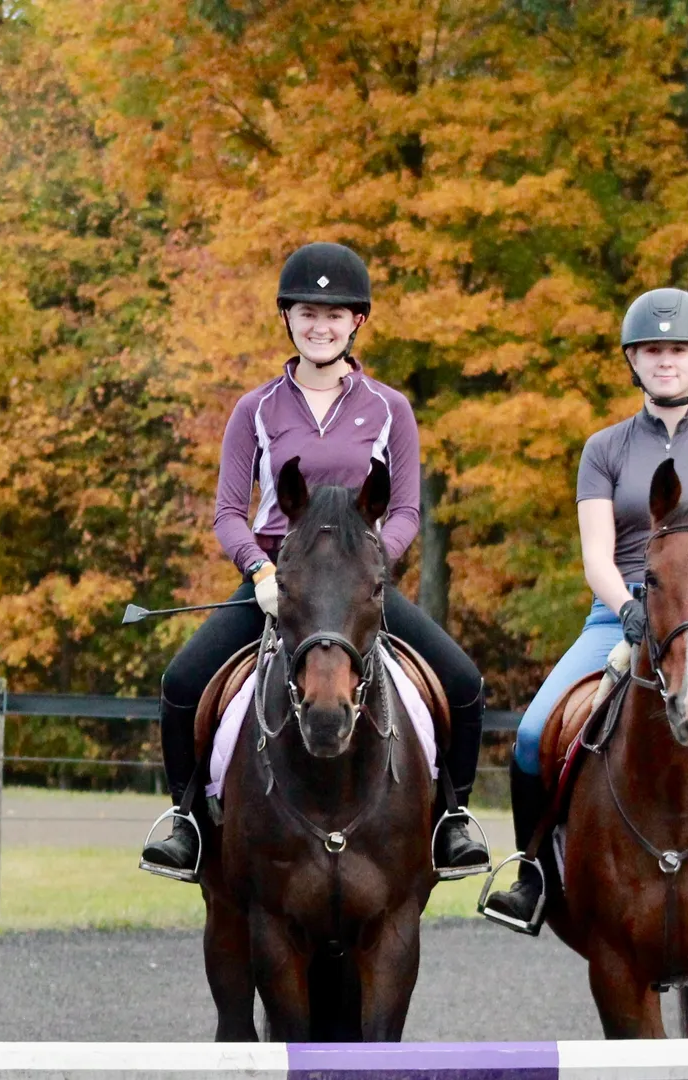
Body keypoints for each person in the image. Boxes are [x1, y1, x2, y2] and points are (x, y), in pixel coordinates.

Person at [139, 241, 491, 882]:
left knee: (463, 683)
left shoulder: (391, 409)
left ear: (356, 322)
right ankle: (186, 822)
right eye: (307, 312)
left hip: (357, 584)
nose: (320, 325)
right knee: (181, 683)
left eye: (334, 314)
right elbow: (227, 512)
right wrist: (259, 570)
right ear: (288, 319)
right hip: (280, 580)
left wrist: (367, 564)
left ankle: (453, 819)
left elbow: (407, 510)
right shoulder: (256, 410)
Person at [481, 287, 688, 932]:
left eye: (678, 350)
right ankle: (532, 872)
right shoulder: (604, 450)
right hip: (621, 617)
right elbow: (596, 555)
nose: (665, 361)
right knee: (531, 733)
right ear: (632, 360)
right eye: (651, 350)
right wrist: (628, 606)